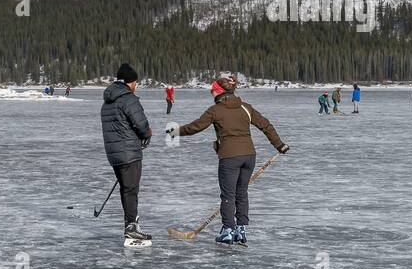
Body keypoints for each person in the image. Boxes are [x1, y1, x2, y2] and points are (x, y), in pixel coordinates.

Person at [169, 74, 289, 245]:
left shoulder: (215, 110)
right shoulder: (245, 108)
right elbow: (265, 125)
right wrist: (279, 145)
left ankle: (227, 231)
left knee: (228, 195)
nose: (211, 93)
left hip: (229, 157)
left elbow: (196, 127)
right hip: (249, 156)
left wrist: (175, 131)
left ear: (218, 91)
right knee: (241, 193)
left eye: (212, 90)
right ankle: (240, 230)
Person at [100, 62, 152, 246]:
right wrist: (146, 135)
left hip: (115, 154)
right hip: (129, 153)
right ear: (129, 82)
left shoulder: (108, 101)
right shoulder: (129, 99)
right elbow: (141, 124)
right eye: (135, 82)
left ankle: (130, 225)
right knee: (131, 190)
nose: (136, 86)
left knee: (126, 189)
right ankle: (131, 228)